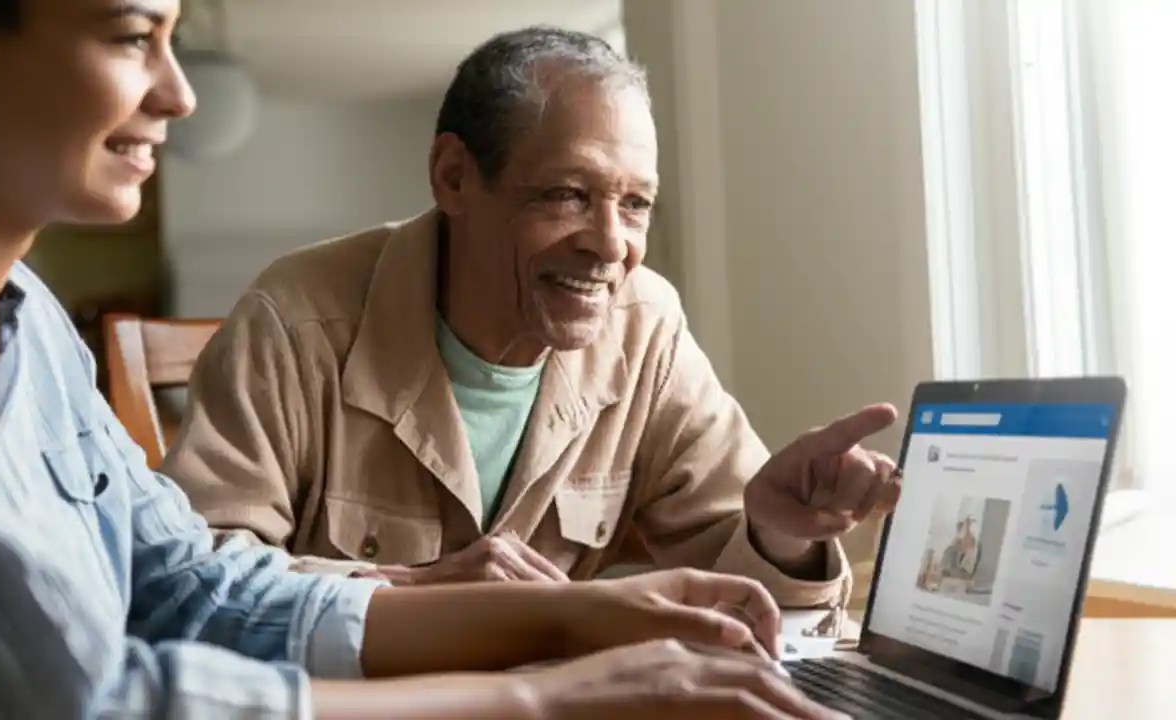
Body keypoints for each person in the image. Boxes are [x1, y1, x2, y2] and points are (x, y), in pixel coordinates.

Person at [0, 2, 849, 718]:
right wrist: (540, 696)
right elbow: (87, 696)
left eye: (635, 204)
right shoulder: (293, 317)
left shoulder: (35, 329)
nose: (180, 94)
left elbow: (189, 587)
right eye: (130, 35)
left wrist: (574, 618)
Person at [162, 26, 904, 605]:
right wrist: (413, 592)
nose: (610, 245)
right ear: (454, 177)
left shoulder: (647, 328)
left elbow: (743, 605)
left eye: (635, 204)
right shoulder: (293, 320)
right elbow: (191, 578)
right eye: (568, 195)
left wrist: (776, 533)